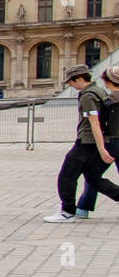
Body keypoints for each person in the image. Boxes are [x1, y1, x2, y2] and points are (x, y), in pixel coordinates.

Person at [46, 64, 119, 222]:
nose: (70, 85)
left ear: (79, 79)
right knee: (94, 179)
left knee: (66, 176)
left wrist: (102, 149)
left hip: (86, 142)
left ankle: (67, 212)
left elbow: (94, 123)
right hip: (95, 141)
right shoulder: (99, 91)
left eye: (71, 82)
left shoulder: (88, 96)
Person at [77, 66, 119, 219]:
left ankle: (83, 207)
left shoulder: (107, 100)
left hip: (109, 141)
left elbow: (97, 122)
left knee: (93, 174)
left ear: (108, 81)